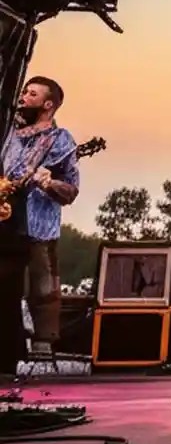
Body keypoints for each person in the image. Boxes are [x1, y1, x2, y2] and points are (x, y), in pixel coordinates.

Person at [0, 77, 79, 370]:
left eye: (31, 94)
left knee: (42, 291)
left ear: (48, 105)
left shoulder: (61, 140)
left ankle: (43, 356)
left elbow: (71, 190)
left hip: (36, 228)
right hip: (6, 227)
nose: (23, 97)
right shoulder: (11, 135)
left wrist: (48, 184)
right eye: (23, 91)